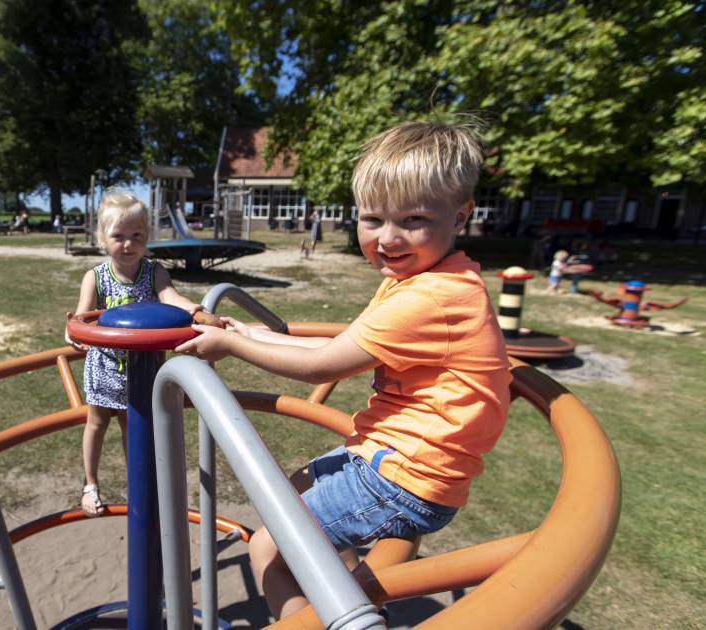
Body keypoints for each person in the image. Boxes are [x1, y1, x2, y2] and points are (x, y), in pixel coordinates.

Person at [175, 120, 512, 620]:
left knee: (271, 549)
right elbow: (339, 344)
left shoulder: (433, 297)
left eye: (414, 219)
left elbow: (319, 366)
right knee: (287, 490)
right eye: (372, 218)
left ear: (460, 215)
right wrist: (247, 332)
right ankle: (341, 588)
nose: (389, 237)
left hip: (407, 477)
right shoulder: (421, 278)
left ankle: (322, 617)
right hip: (387, 455)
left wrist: (229, 344)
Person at [65, 190, 207, 517]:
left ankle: (138, 487)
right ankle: (90, 484)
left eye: (137, 236)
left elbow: (169, 295)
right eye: (118, 236)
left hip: (140, 371)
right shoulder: (95, 277)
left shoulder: (154, 272)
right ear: (102, 238)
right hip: (104, 368)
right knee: (97, 424)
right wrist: (72, 330)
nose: (127, 244)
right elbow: (82, 316)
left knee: (135, 429)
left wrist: (194, 309)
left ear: (147, 237)